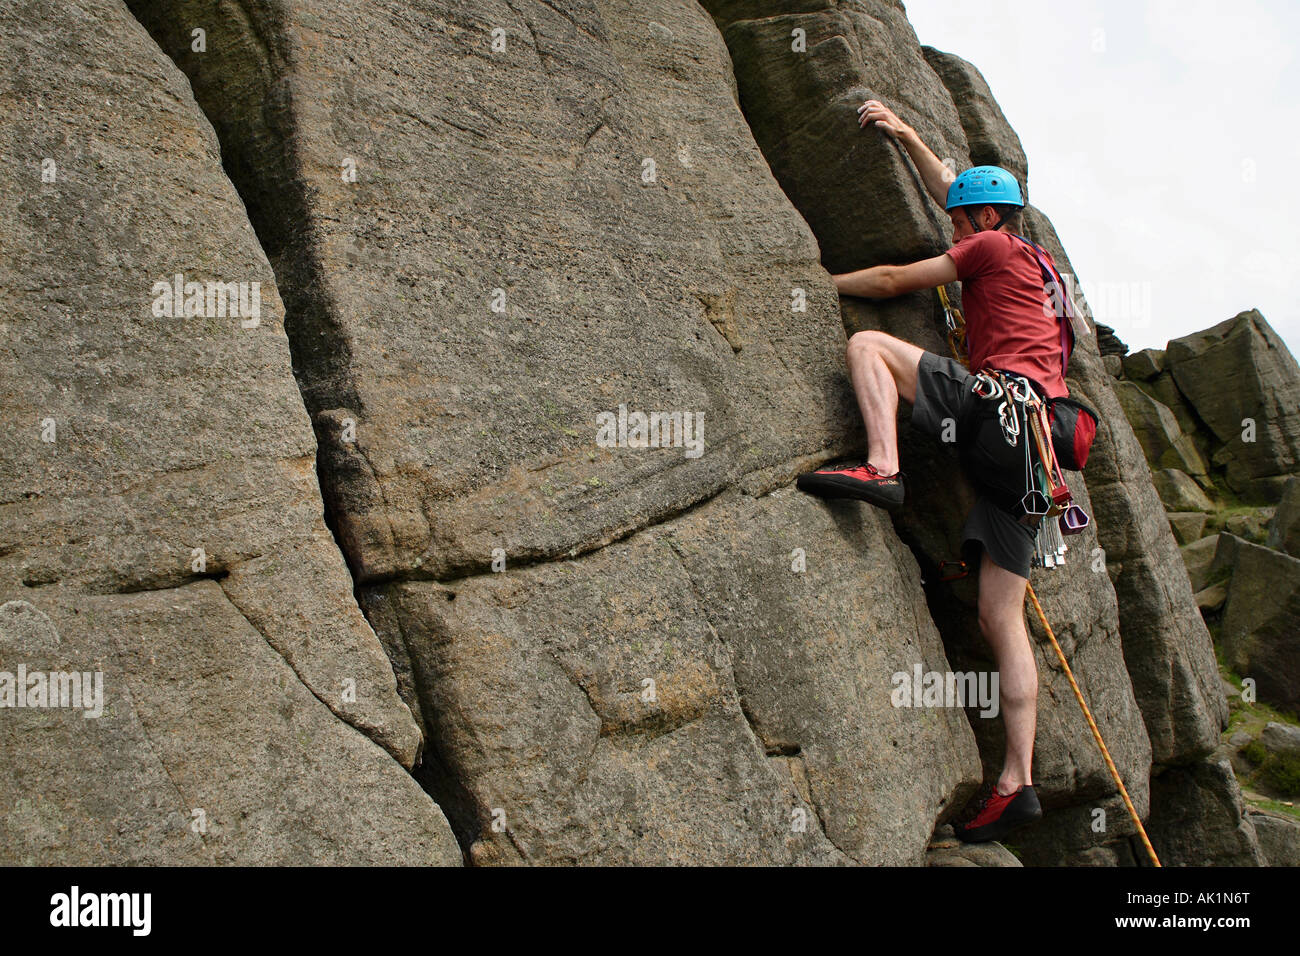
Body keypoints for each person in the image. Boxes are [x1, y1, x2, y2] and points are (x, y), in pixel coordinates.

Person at [796, 99, 1077, 843]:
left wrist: (807, 284)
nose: (951, 229)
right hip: (1037, 456)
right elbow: (955, 186)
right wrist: (909, 133)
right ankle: (1016, 779)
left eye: (959, 223)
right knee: (1000, 618)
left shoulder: (988, 250)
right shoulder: (1039, 266)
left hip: (1001, 409)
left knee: (869, 348)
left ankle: (881, 466)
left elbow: (893, 280)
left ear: (988, 221)